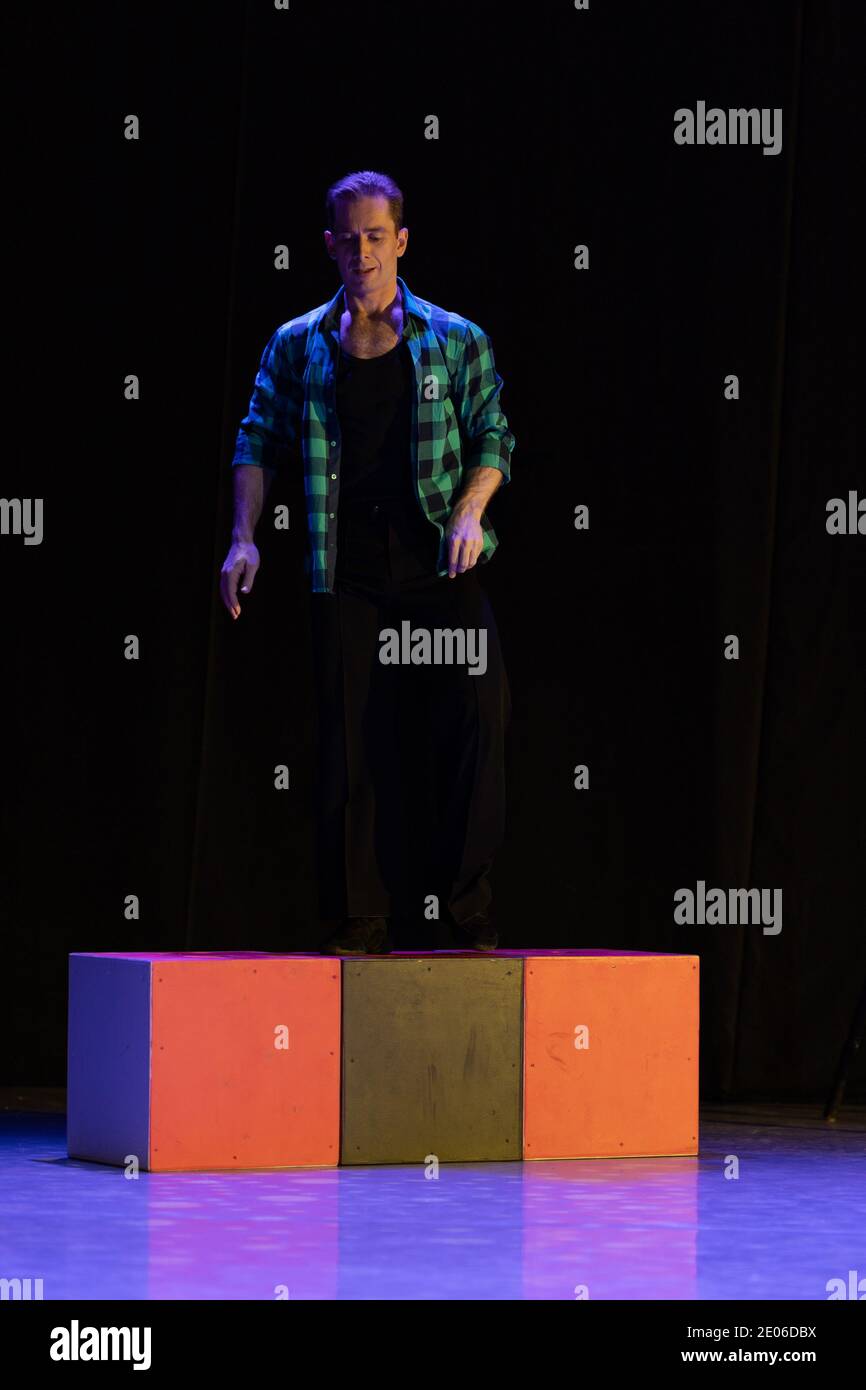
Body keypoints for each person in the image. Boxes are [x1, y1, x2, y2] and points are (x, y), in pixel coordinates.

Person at [219, 170, 515, 955]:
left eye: (376, 236)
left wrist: (470, 508)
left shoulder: (455, 338)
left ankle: (469, 906)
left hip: (439, 563)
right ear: (329, 246)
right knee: (348, 739)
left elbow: (494, 435)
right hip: (343, 567)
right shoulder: (297, 344)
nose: (363, 252)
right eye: (348, 238)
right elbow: (256, 437)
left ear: (402, 240)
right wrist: (244, 536)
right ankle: (361, 915)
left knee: (479, 717)